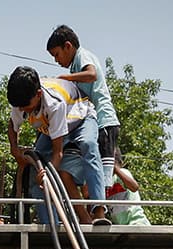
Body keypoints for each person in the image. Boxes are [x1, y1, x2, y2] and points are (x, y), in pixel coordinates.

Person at [6, 66, 106, 225]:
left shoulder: (54, 104)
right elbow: (13, 126)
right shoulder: (21, 101)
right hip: (51, 127)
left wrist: (47, 173)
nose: (23, 110)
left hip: (80, 117)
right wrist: (15, 150)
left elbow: (57, 153)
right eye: (20, 107)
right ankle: (51, 223)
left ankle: (99, 210)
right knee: (36, 171)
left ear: (38, 95)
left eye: (26, 106)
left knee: (88, 145)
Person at [46, 24, 119, 218]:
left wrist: (65, 78)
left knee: (102, 169)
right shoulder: (74, 64)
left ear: (68, 46)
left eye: (56, 54)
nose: (56, 60)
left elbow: (92, 74)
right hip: (88, 121)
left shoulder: (82, 56)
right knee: (80, 168)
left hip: (103, 120)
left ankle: (100, 215)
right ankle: (88, 217)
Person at [106, 151, 150, 226]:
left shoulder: (123, 173)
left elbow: (134, 187)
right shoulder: (106, 181)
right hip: (121, 225)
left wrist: (116, 169)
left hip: (137, 221)